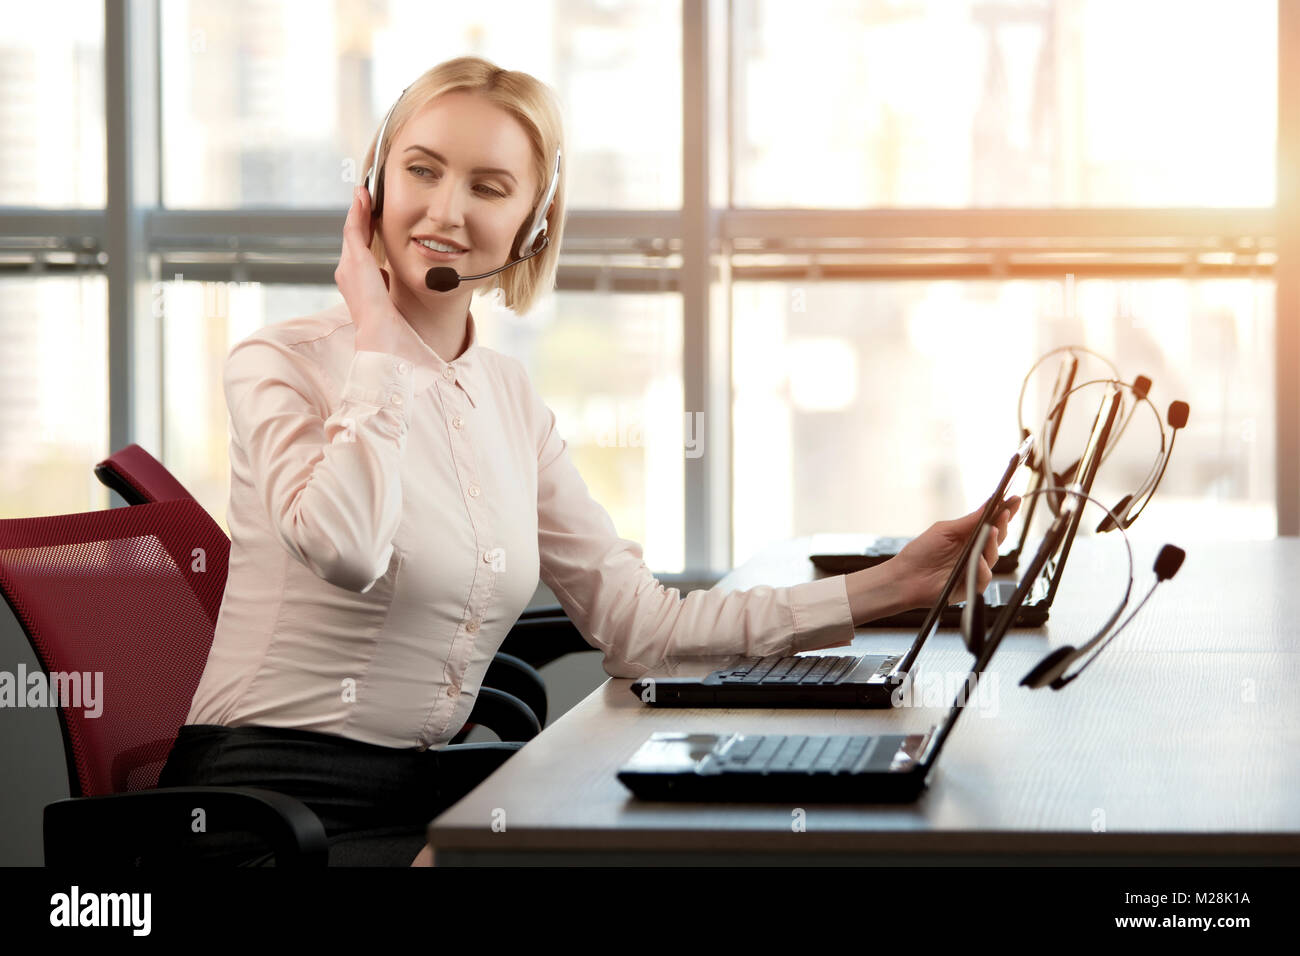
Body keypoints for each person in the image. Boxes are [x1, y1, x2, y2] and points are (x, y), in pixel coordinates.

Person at [157, 55, 1020, 867]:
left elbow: (641, 630)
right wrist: (378, 343)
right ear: (373, 187)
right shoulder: (281, 363)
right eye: (421, 170)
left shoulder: (506, 399)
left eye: (488, 187)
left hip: (421, 791)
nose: (446, 211)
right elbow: (345, 548)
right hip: (265, 815)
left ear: (531, 224)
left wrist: (895, 586)